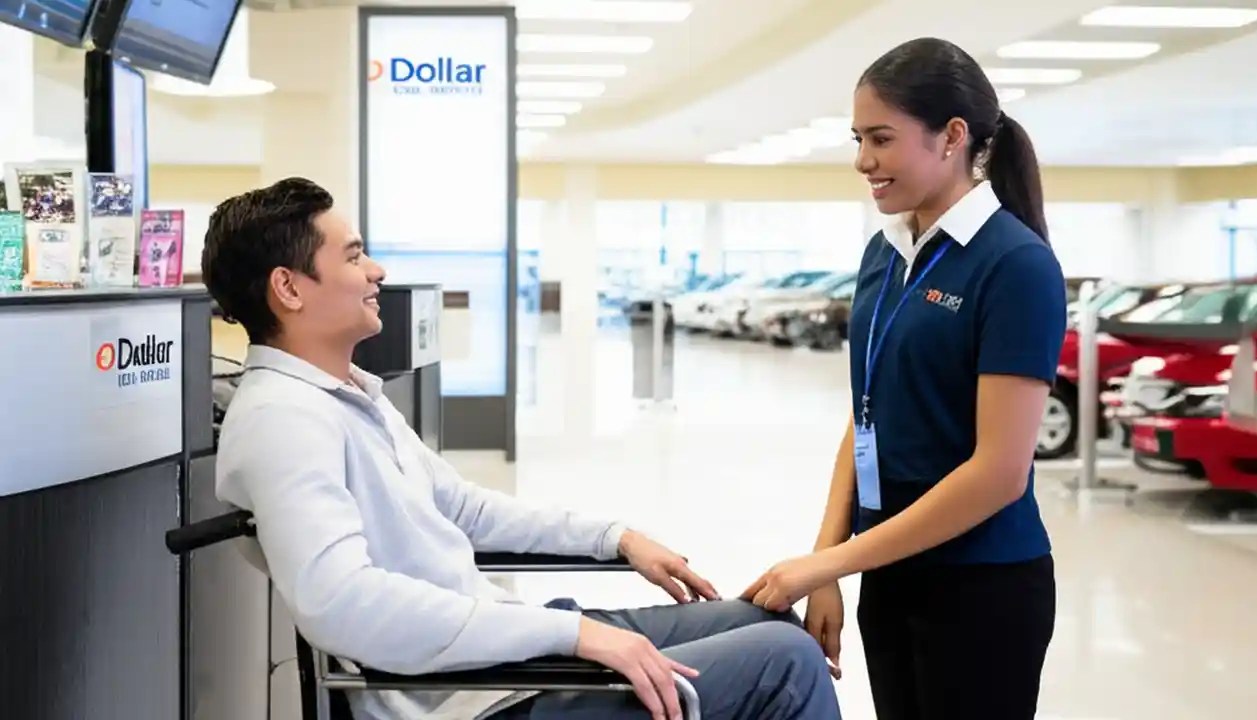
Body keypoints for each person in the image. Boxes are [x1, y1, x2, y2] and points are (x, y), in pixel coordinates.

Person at [203, 177, 840, 720]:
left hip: (510, 652)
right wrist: (573, 633)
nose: (377, 271)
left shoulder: (348, 395)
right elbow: (343, 607)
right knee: (785, 661)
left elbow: (465, 511)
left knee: (771, 623)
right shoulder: (282, 421)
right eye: (353, 257)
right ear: (289, 288)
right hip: (477, 698)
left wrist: (613, 538)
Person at [741, 37, 1065, 720]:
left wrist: (833, 564)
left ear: (951, 137)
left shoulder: (1015, 265)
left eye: (881, 139)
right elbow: (866, 419)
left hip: (981, 588)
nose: (863, 161)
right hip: (889, 575)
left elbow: (999, 473)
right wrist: (829, 562)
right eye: (858, 138)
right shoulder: (884, 254)